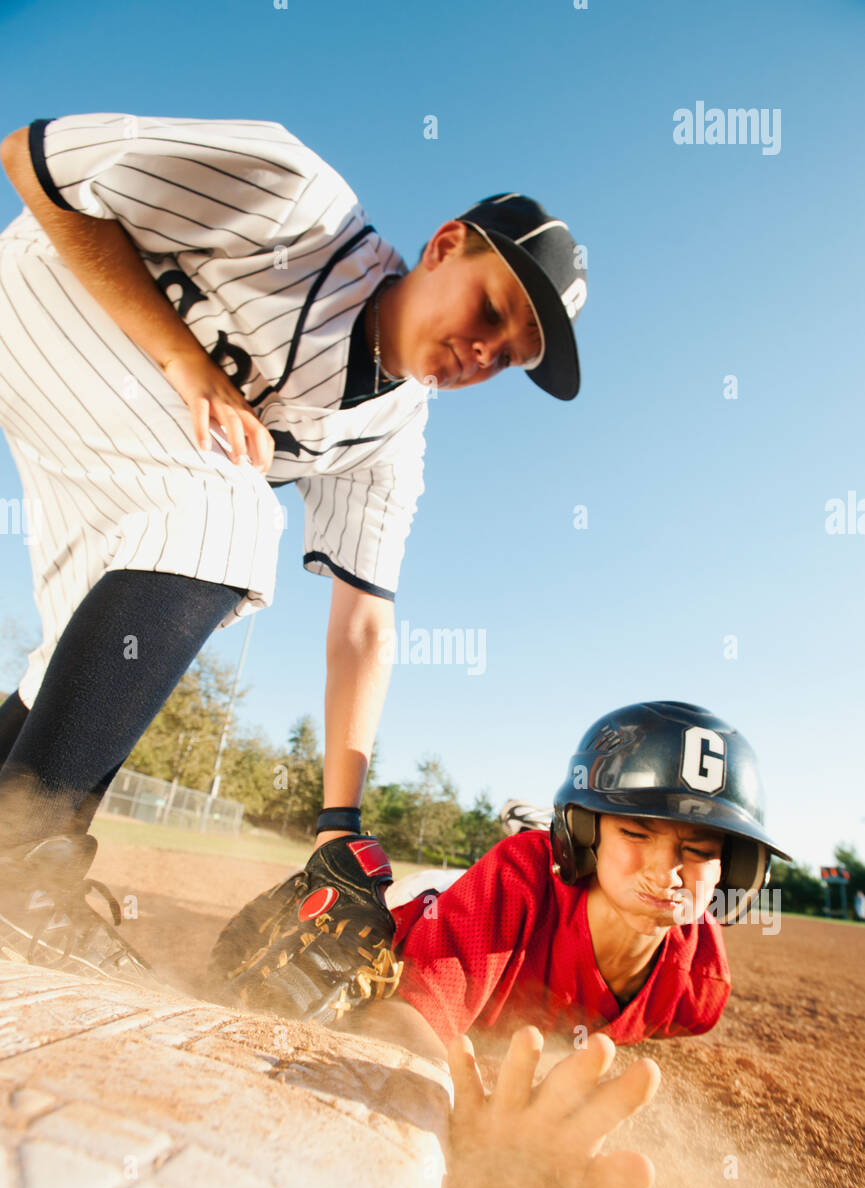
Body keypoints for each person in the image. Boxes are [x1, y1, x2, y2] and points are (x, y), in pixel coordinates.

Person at [0, 113, 586, 984]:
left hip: (122, 429)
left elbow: (363, 628)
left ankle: (15, 827)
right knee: (227, 517)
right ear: (446, 245)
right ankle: (22, 876)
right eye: (493, 309)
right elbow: (33, 160)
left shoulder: (393, 434)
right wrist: (183, 362)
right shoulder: (294, 201)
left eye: (510, 357)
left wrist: (337, 824)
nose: (484, 352)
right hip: (48, 299)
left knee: (88, 649)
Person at [216, 701, 791, 1058]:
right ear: (585, 834)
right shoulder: (520, 878)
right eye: (636, 834)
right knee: (348, 950)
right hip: (451, 895)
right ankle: (531, 832)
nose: (665, 871)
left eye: (696, 849)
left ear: (736, 871)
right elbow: (406, 1021)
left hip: (530, 892)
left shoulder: (698, 992)